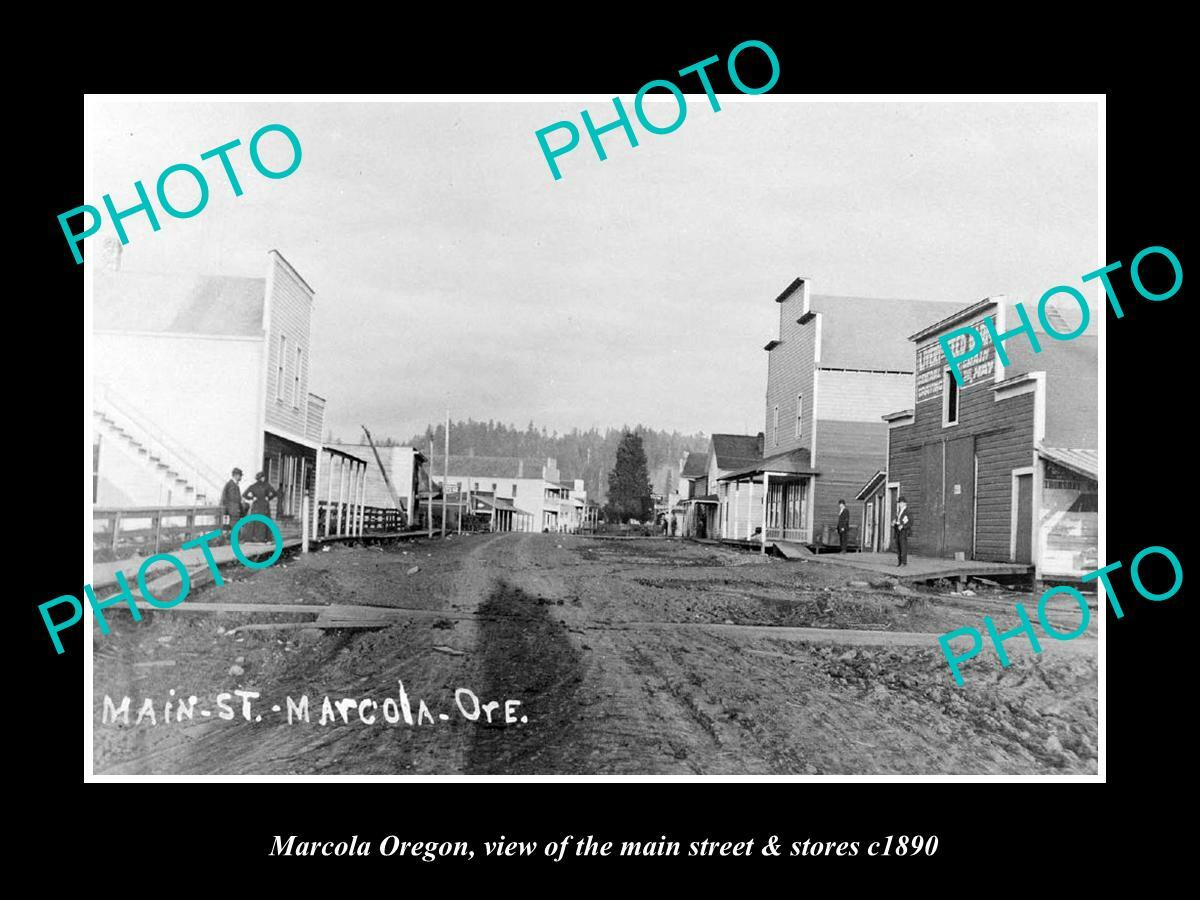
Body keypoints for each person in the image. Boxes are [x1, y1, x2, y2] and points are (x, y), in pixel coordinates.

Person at [241, 471, 279, 542]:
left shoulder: (262, 485)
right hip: (260, 506)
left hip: (260, 506)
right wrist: (253, 498)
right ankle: (259, 538)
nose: (264, 478)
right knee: (259, 522)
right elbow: (244, 494)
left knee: (260, 521)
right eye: (263, 477)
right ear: (260, 478)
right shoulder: (258, 486)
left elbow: (274, 493)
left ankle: (260, 538)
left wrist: (267, 498)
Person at [219, 468, 244, 542]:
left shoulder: (233, 484)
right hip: (233, 507)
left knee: (235, 522)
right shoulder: (231, 484)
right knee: (234, 522)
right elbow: (231, 497)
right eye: (240, 476)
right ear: (236, 475)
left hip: (234, 507)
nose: (241, 477)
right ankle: (235, 539)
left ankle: (234, 539)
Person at [893, 496, 912, 567]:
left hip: (904, 531)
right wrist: (894, 522)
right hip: (897, 530)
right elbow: (897, 520)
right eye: (899, 503)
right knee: (898, 546)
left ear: (905, 503)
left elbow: (910, 522)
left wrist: (903, 526)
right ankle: (899, 561)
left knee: (903, 546)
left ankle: (904, 562)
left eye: (901, 503)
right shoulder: (899, 512)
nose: (899, 504)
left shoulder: (908, 512)